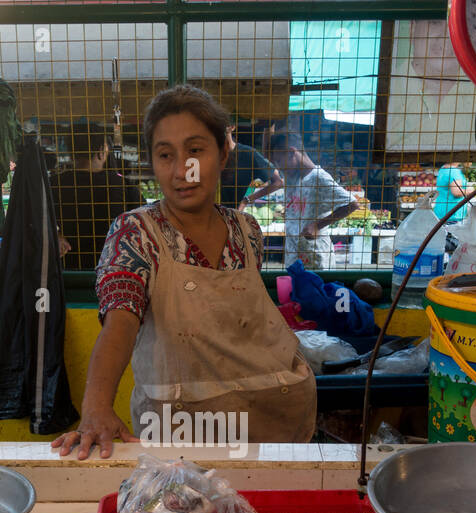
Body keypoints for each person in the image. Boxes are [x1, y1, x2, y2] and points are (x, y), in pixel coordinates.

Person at [51, 85, 317, 459]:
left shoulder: (247, 232)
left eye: (195, 150)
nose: (182, 170)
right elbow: (120, 322)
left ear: (223, 152)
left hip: (269, 421)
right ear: (153, 162)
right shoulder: (135, 233)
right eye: (165, 155)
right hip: (176, 431)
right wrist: (96, 408)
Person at [51, 125, 143, 272]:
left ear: (70, 151)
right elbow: (144, 223)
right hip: (114, 269)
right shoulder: (123, 185)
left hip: (68, 270)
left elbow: (34, 222)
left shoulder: (54, 185)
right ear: (101, 151)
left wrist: (55, 234)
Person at [266, 132, 358, 269]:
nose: (278, 167)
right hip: (293, 253)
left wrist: (317, 225)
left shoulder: (319, 178)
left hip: (315, 254)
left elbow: (352, 204)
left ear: (292, 153)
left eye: (279, 161)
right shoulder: (292, 176)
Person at [219, 122, 283, 212]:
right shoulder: (207, 156)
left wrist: (246, 200)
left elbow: (278, 182)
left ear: (232, 127)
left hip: (231, 217)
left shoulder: (248, 154)